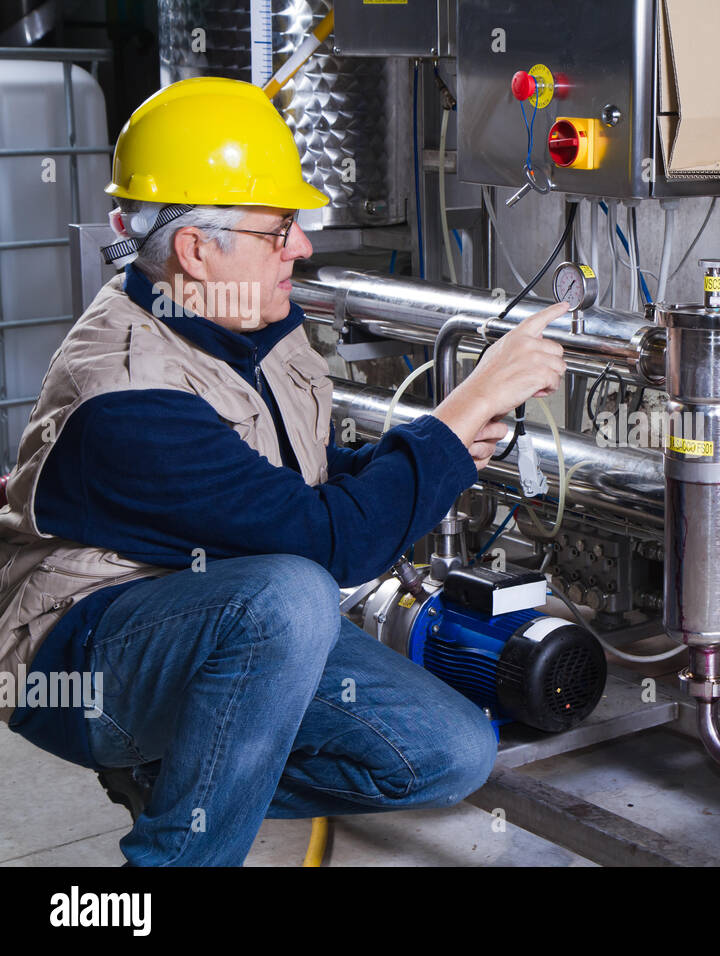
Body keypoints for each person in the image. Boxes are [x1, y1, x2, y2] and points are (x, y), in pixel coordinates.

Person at [0, 76, 568, 865]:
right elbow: (328, 546)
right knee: (294, 593)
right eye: (280, 229)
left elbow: (280, 478)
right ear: (199, 251)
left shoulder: (245, 323)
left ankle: (180, 773)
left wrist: (408, 459)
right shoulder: (125, 394)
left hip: (226, 617)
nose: (301, 247)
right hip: (84, 652)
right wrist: (460, 409)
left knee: (451, 753)